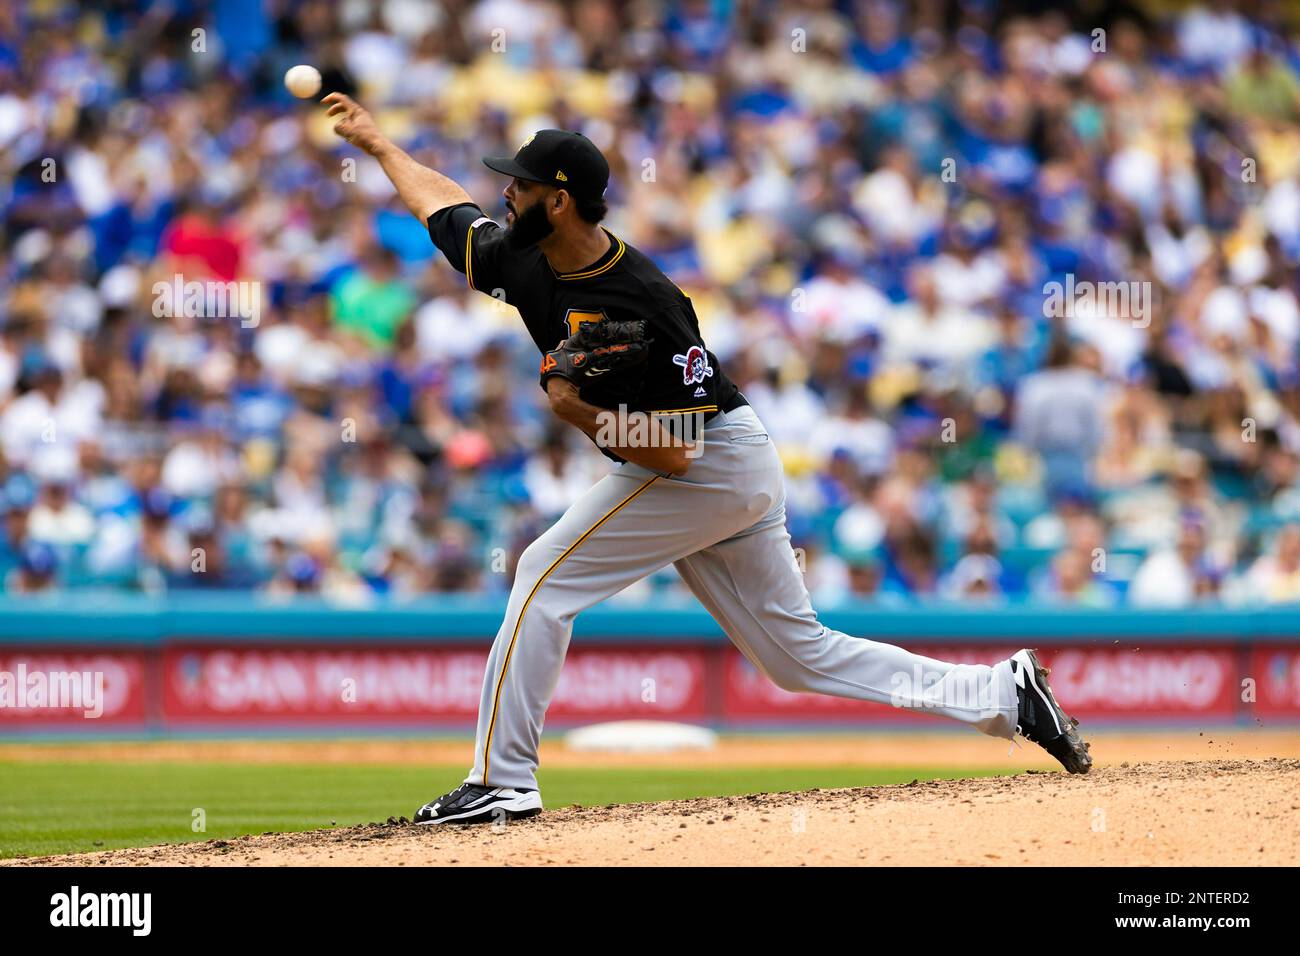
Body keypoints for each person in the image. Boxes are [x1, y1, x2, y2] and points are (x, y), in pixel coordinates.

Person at [323, 92, 1093, 825]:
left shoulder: (646, 302)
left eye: (518, 187)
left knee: (542, 576)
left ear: (557, 201)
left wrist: (579, 410)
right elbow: (442, 209)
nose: (504, 199)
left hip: (705, 459)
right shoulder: (523, 258)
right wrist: (382, 144)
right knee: (798, 656)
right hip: (720, 465)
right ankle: (1001, 693)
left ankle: (501, 782)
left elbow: (679, 456)